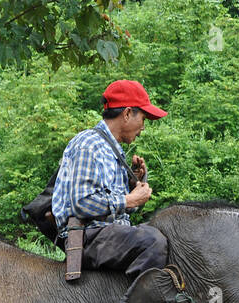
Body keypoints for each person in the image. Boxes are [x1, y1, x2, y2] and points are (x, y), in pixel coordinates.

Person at [51, 80, 169, 282]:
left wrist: (134, 185)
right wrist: (129, 200)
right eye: (143, 118)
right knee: (152, 242)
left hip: (106, 233)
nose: (143, 128)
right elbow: (81, 203)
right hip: (88, 235)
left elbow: (121, 209)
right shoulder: (89, 144)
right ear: (127, 114)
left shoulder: (112, 149)